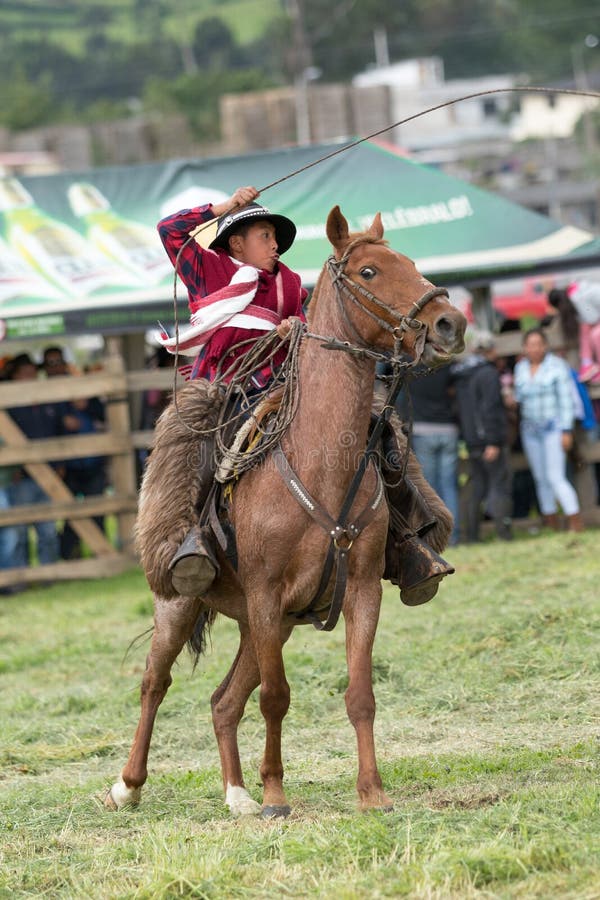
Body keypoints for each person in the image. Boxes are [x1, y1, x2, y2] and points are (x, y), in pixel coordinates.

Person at [155, 186, 452, 603]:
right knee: (204, 447)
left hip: (292, 383)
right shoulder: (210, 269)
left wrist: (299, 331)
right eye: (264, 235)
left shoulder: (292, 283)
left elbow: (317, 333)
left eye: (275, 237)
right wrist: (224, 208)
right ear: (236, 242)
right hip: (230, 387)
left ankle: (407, 539)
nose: (275, 243)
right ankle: (194, 539)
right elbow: (169, 231)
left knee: (377, 431)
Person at [514, 328, 583, 532]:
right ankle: (551, 521)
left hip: (553, 428)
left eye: (538, 344)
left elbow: (566, 400)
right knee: (540, 477)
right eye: (530, 344)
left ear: (545, 345)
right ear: (525, 348)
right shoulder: (521, 368)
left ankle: (574, 520)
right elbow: (519, 397)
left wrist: (566, 430)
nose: (534, 348)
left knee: (555, 476)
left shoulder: (557, 366)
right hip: (530, 429)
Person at [451, 329, 513, 542]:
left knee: (477, 487)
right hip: (488, 439)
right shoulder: (487, 374)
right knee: (498, 485)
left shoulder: (461, 375)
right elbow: (491, 408)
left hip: (471, 440)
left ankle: (473, 535)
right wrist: (493, 440)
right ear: (490, 350)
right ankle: (503, 533)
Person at [6, 353, 62, 568]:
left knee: (47, 530)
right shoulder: (10, 402)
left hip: (48, 473)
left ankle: (49, 576)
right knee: (17, 533)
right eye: (24, 372)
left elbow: (58, 434)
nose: (30, 376)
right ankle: (20, 578)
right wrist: (14, 467)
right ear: (16, 376)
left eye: (32, 371)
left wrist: (59, 465)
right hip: (20, 477)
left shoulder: (46, 400)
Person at [395, 364, 460, 544]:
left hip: (423, 430)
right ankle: (454, 536)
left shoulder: (410, 367)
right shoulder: (447, 366)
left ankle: (435, 536)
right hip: (448, 429)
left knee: (429, 487)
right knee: (449, 485)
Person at [548, 281, 600, 383]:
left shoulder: (577, 298)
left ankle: (589, 365)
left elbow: (592, 319)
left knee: (596, 334)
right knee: (585, 330)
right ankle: (587, 364)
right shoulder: (574, 292)